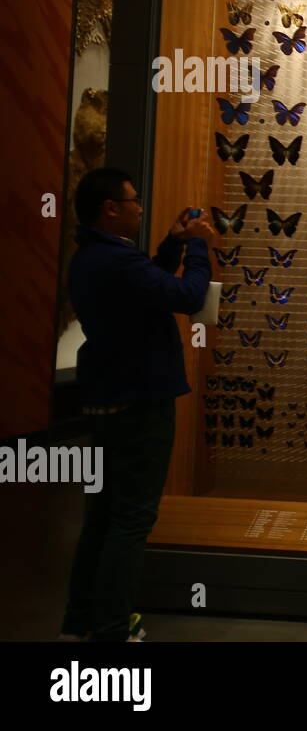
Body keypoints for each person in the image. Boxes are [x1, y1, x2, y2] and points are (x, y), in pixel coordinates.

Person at [59, 168, 216, 642]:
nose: (140, 208)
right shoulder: (117, 262)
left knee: (104, 516)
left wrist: (170, 246)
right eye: (132, 201)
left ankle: (80, 622)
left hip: (106, 399)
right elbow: (188, 297)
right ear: (111, 208)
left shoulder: (93, 258)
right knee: (132, 519)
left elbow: (146, 288)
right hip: (141, 401)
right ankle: (110, 630)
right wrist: (199, 247)